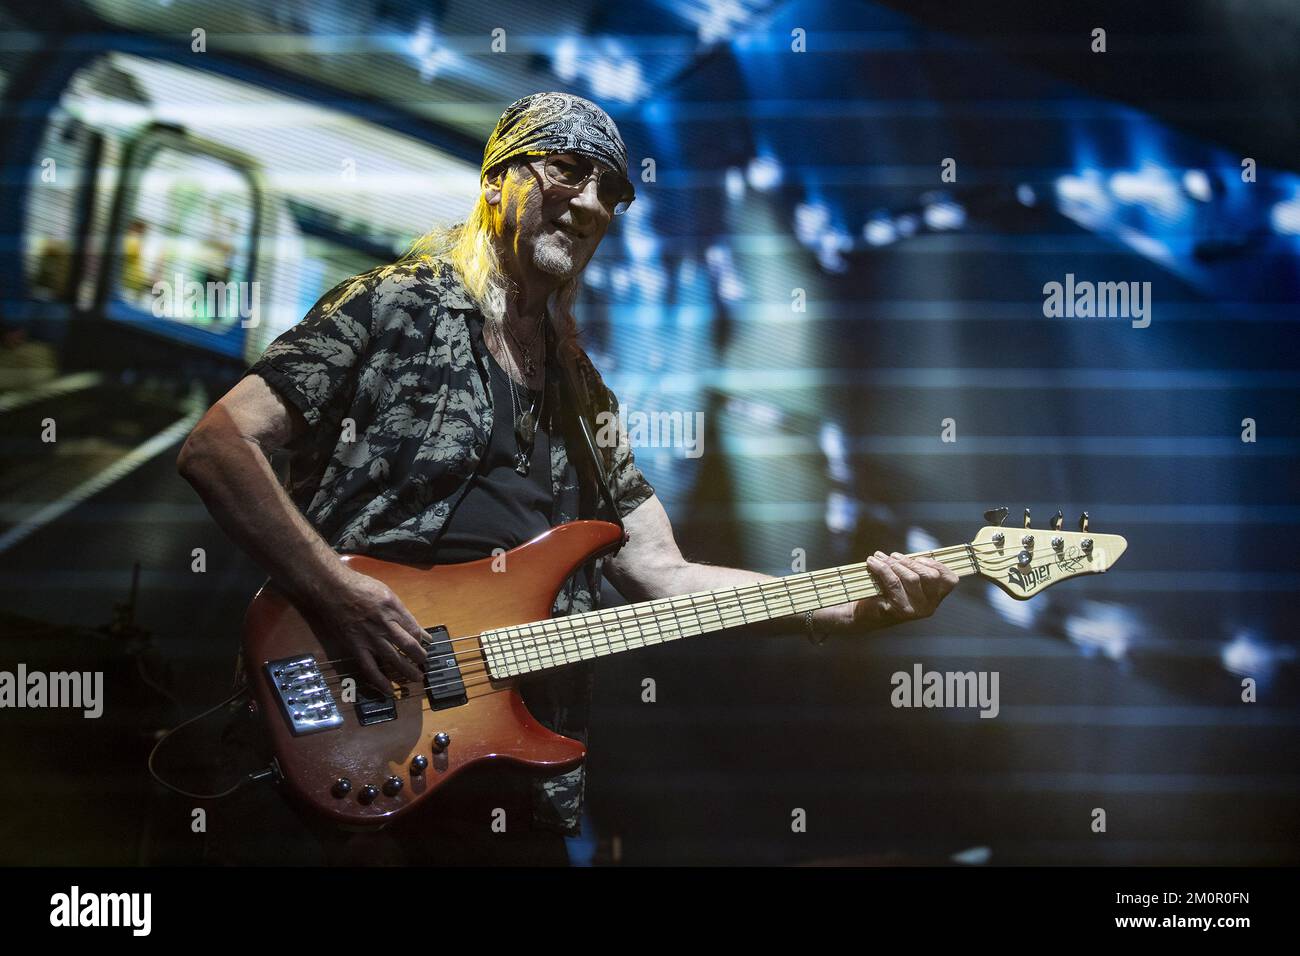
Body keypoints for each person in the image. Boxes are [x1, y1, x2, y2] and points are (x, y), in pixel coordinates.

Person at [176, 91, 958, 866]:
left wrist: (839, 605)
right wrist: (337, 592)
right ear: (495, 181)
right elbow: (219, 445)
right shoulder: (394, 306)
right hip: (345, 732)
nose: (590, 205)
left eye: (611, 192)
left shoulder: (583, 395)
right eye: (567, 171)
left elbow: (662, 571)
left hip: (506, 782)